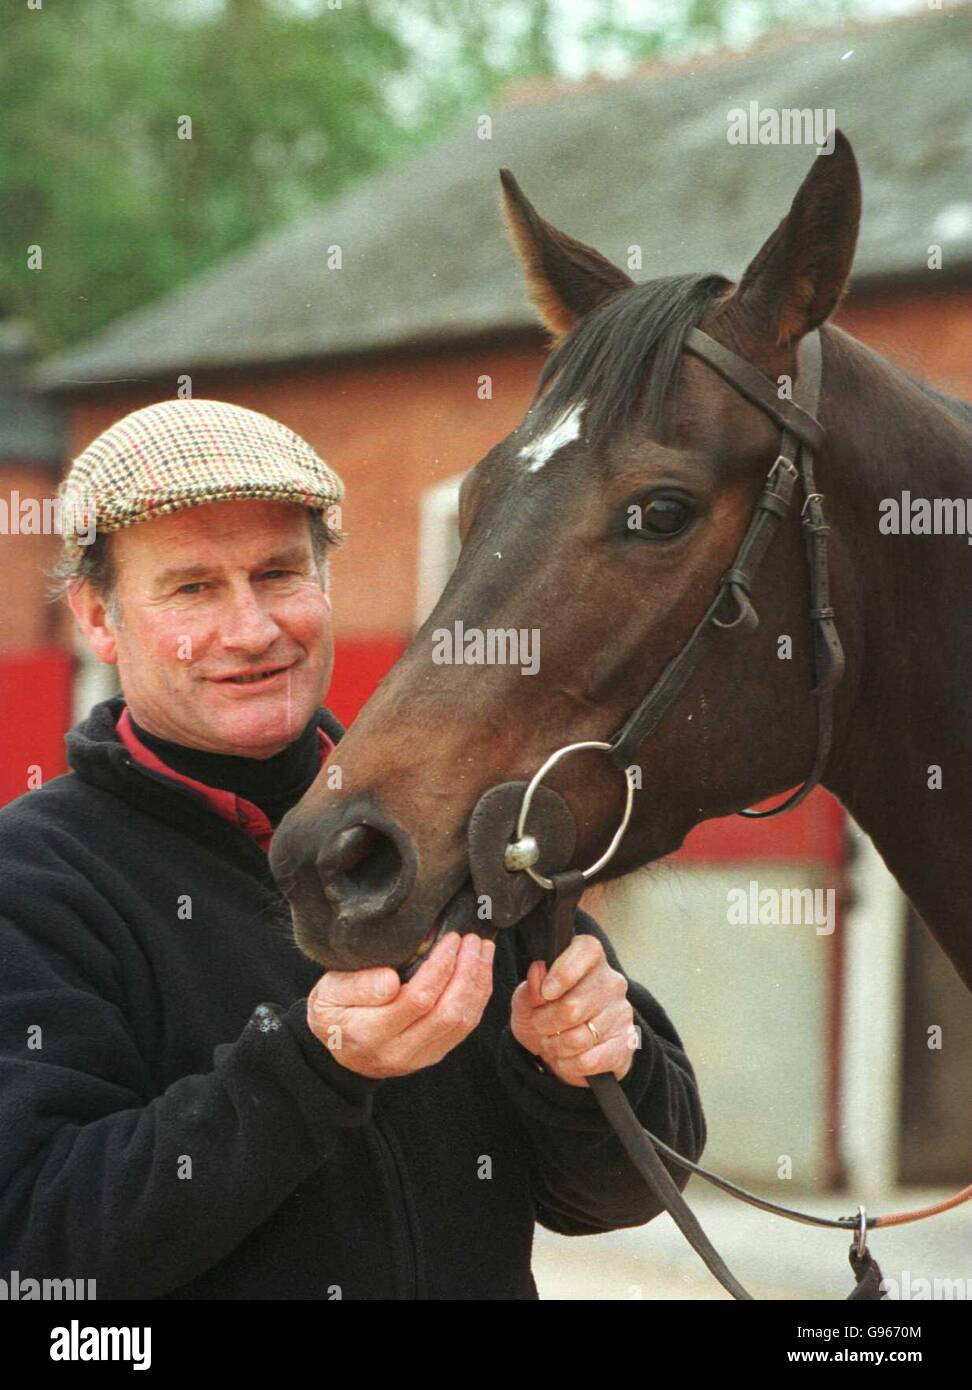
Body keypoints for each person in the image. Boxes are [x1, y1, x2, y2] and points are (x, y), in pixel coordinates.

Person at [0, 398, 705, 1299]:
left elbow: (615, 1195)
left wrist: (586, 1066)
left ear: (325, 585)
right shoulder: (32, 879)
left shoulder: (457, 820)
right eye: (193, 588)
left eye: (279, 573)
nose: (252, 629)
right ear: (99, 618)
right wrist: (313, 1067)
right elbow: (36, 1248)